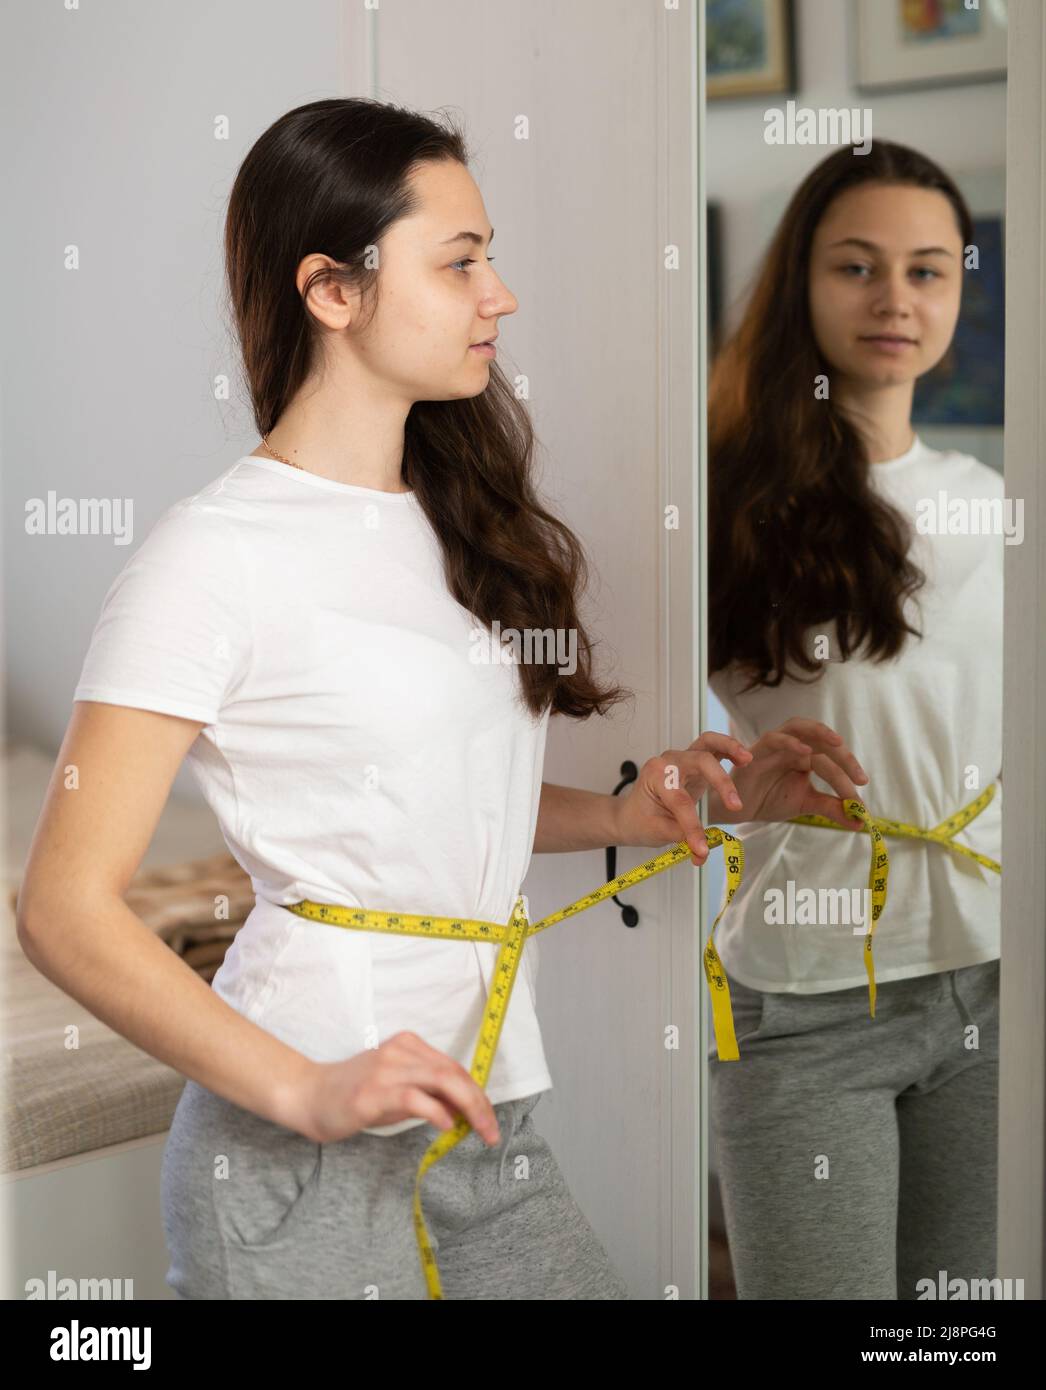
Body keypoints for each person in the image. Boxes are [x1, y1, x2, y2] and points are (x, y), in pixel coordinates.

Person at [16, 96, 802, 1301]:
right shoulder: (209, 555)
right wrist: (300, 1085)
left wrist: (622, 815)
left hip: (483, 1114)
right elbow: (63, 906)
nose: (501, 293)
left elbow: (422, 792)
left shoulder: (452, 519)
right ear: (332, 290)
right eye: (461, 261)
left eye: (488, 256)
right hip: (297, 1164)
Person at [705, 140, 1003, 1300]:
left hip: (986, 982)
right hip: (805, 994)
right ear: (799, 283)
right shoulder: (723, 503)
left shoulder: (990, 505)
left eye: (927, 270)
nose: (894, 299)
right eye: (856, 266)